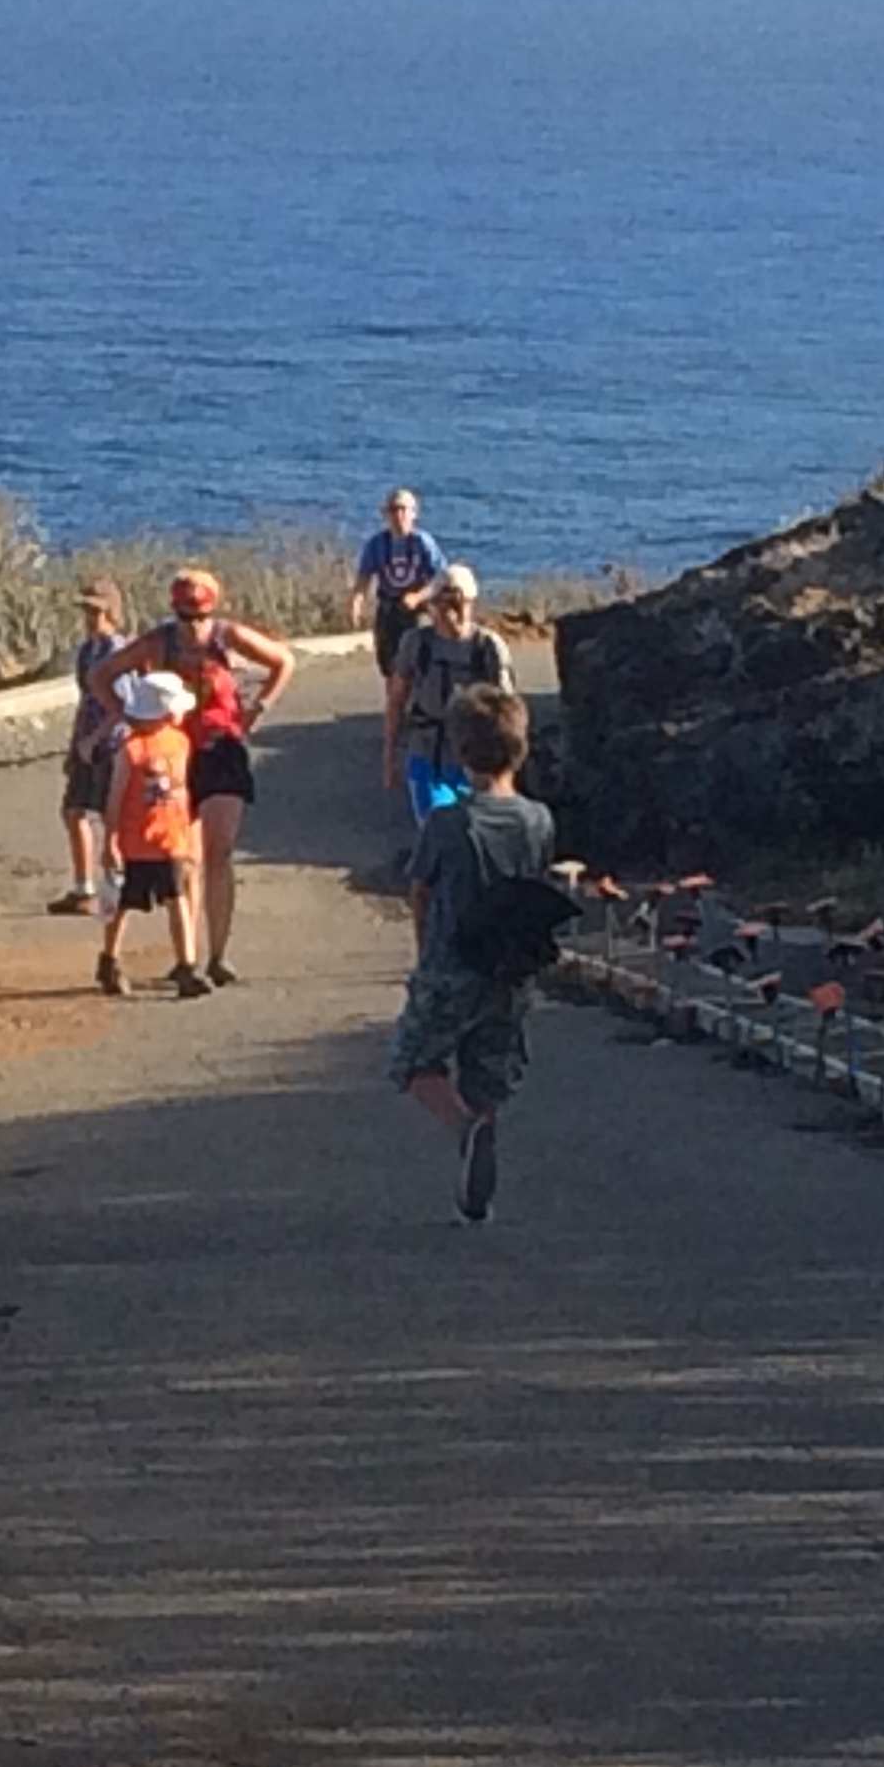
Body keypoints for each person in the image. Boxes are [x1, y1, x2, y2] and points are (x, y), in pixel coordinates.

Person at [391, 684, 580, 1223]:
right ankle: (479, 1173)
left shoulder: (448, 822)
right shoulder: (538, 819)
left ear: (459, 750)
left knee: (414, 1059)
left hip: (453, 958)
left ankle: (463, 1128)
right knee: (490, 1069)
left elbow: (422, 890)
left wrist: (424, 950)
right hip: (512, 962)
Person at [87, 569, 297, 987]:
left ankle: (218, 953)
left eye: (200, 616)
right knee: (185, 858)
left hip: (222, 749)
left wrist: (258, 708)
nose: (193, 626)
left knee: (218, 850)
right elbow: (101, 676)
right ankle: (189, 956)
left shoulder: (227, 637)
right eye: (185, 616)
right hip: (174, 753)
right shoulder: (157, 642)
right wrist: (125, 716)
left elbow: (283, 662)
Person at [96, 670, 213, 999]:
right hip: (137, 844)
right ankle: (110, 959)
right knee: (123, 904)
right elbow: (116, 798)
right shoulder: (132, 749)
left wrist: (189, 833)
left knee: (177, 899)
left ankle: (187, 966)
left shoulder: (180, 741)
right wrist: (111, 841)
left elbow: (181, 791)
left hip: (171, 841)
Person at [382, 563, 513, 831]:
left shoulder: (488, 647)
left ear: (471, 602)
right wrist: (390, 756)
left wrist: (506, 773)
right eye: (444, 599)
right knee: (436, 827)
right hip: (426, 752)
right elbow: (396, 700)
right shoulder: (416, 644)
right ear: (433, 602)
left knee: (474, 831)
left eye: (458, 600)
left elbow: (508, 717)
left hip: (475, 758)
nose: (451, 608)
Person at [48, 578, 132, 915]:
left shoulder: (119, 652)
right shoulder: (87, 652)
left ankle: (118, 886)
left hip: (112, 743)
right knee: (74, 810)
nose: (88, 617)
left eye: (95, 610)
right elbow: (86, 701)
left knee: (112, 818)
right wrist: (76, 744)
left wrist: (96, 739)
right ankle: (84, 886)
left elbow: (122, 706)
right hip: (87, 741)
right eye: (86, 610)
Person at [349, 488, 448, 674]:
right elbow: (364, 578)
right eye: (394, 510)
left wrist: (418, 597)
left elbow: (441, 577)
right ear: (386, 514)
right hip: (388, 609)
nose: (399, 515)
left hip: (418, 611)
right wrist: (356, 603)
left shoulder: (423, 543)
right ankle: (394, 701)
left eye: (404, 509)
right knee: (390, 666)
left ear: (414, 513)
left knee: (420, 662)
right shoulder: (376, 544)